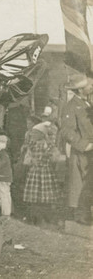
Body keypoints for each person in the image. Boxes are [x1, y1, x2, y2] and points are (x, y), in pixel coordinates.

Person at [60, 73, 93, 225]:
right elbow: (67, 131)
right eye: (89, 86)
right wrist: (83, 145)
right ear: (80, 90)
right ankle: (81, 215)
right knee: (81, 184)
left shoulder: (87, 104)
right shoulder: (71, 106)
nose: (91, 87)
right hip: (83, 152)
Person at [23, 122, 62, 225]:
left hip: (46, 172)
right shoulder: (31, 146)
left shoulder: (49, 145)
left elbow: (56, 157)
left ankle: (47, 217)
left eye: (35, 133)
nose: (33, 135)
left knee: (46, 196)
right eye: (32, 133)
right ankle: (35, 218)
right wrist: (32, 161)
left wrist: (50, 156)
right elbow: (26, 159)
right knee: (34, 196)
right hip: (34, 172)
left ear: (41, 134)